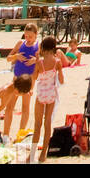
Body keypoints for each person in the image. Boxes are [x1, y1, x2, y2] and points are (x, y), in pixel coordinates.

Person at [3, 23, 40, 137]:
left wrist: (36, 60)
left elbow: (44, 62)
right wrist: (16, 56)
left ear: (35, 35)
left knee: (25, 107)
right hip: (16, 79)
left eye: (30, 37)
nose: (28, 39)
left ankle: (20, 134)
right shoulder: (20, 43)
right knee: (10, 106)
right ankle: (6, 134)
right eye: (26, 36)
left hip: (29, 82)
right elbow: (8, 58)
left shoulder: (38, 46)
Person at [31, 35, 64, 163]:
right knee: (47, 123)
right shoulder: (57, 62)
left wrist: (37, 61)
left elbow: (34, 77)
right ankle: (43, 153)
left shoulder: (39, 63)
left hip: (41, 94)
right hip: (51, 94)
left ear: (43, 49)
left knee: (37, 125)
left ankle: (32, 154)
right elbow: (61, 80)